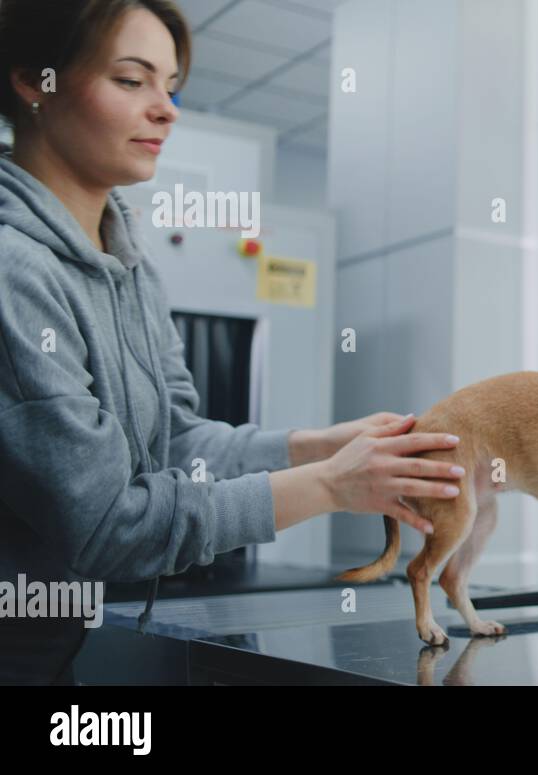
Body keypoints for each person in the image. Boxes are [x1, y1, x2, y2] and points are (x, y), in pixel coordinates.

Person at [0, 0, 463, 685]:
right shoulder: (15, 269)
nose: (167, 109)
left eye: (171, 84)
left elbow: (181, 447)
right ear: (36, 81)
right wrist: (333, 485)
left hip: (50, 659)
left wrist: (321, 445)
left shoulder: (132, 269)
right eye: (132, 80)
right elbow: (105, 526)